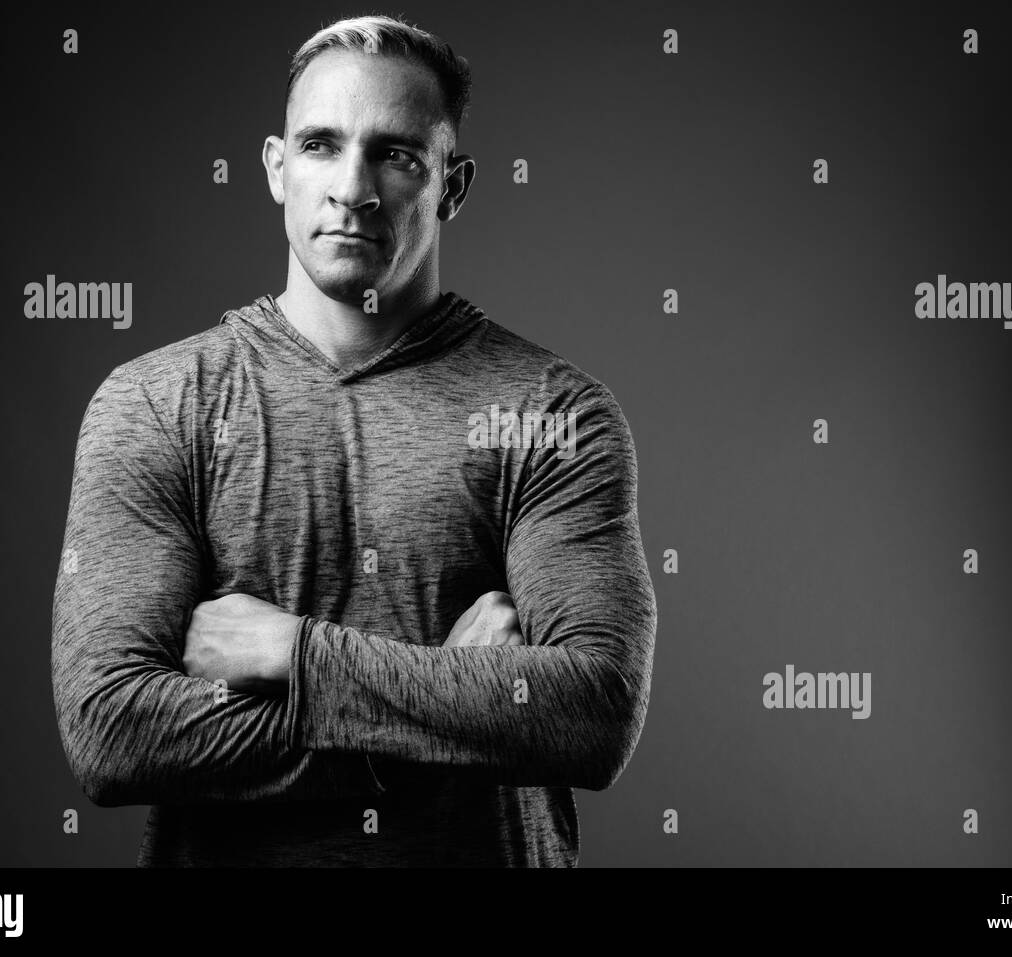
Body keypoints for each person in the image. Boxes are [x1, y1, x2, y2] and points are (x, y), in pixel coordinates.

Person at [50, 13, 657, 867]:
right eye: (321, 145)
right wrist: (432, 702)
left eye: (397, 154)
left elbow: (591, 711)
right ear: (275, 169)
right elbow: (113, 732)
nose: (352, 186)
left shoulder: (553, 412)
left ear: (453, 183)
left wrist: (290, 654)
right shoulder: (154, 403)